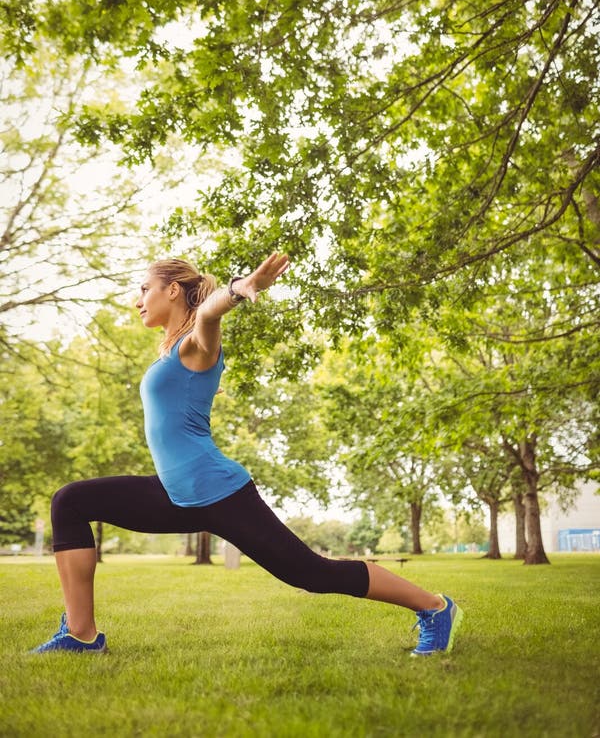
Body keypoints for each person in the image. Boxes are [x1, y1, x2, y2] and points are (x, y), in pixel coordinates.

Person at [31, 252, 463, 657]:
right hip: (175, 493)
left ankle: (435, 606)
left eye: (144, 289)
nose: (136, 299)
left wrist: (239, 288)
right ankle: (81, 634)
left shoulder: (195, 346)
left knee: (312, 574)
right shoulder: (169, 352)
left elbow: (209, 313)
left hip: (218, 492)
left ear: (173, 290)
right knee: (70, 501)